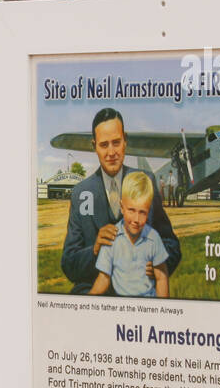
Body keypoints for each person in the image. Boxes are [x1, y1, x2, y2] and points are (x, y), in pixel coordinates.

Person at [60, 107, 180, 294]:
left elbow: (171, 244)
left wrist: (158, 266)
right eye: (104, 145)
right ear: (94, 147)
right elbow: (69, 264)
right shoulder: (81, 193)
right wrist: (95, 249)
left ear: (125, 141)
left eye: (116, 142)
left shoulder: (145, 182)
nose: (111, 152)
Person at [89, 171, 170, 297]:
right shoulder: (111, 237)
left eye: (142, 212)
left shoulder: (153, 238)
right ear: (121, 207)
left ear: (149, 211)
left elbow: (161, 278)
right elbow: (103, 279)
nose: (136, 219)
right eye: (131, 210)